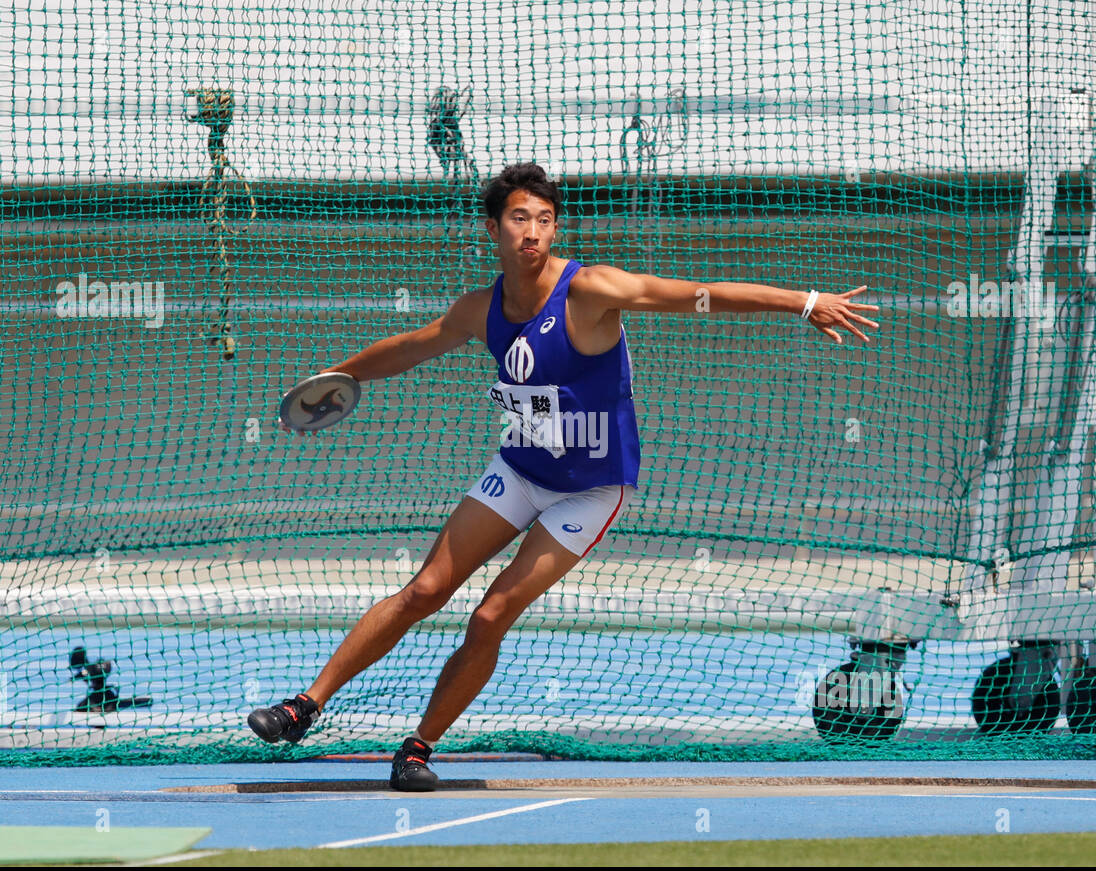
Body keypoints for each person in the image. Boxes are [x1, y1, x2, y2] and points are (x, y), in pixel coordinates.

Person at [249, 162, 879, 790]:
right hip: (520, 468)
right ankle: (305, 706)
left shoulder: (590, 290)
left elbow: (693, 294)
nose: (533, 231)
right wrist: (342, 377)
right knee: (425, 590)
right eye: (519, 218)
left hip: (591, 488)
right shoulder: (481, 309)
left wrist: (806, 302)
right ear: (493, 228)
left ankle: (417, 749)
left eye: (544, 220)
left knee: (491, 615)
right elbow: (416, 343)